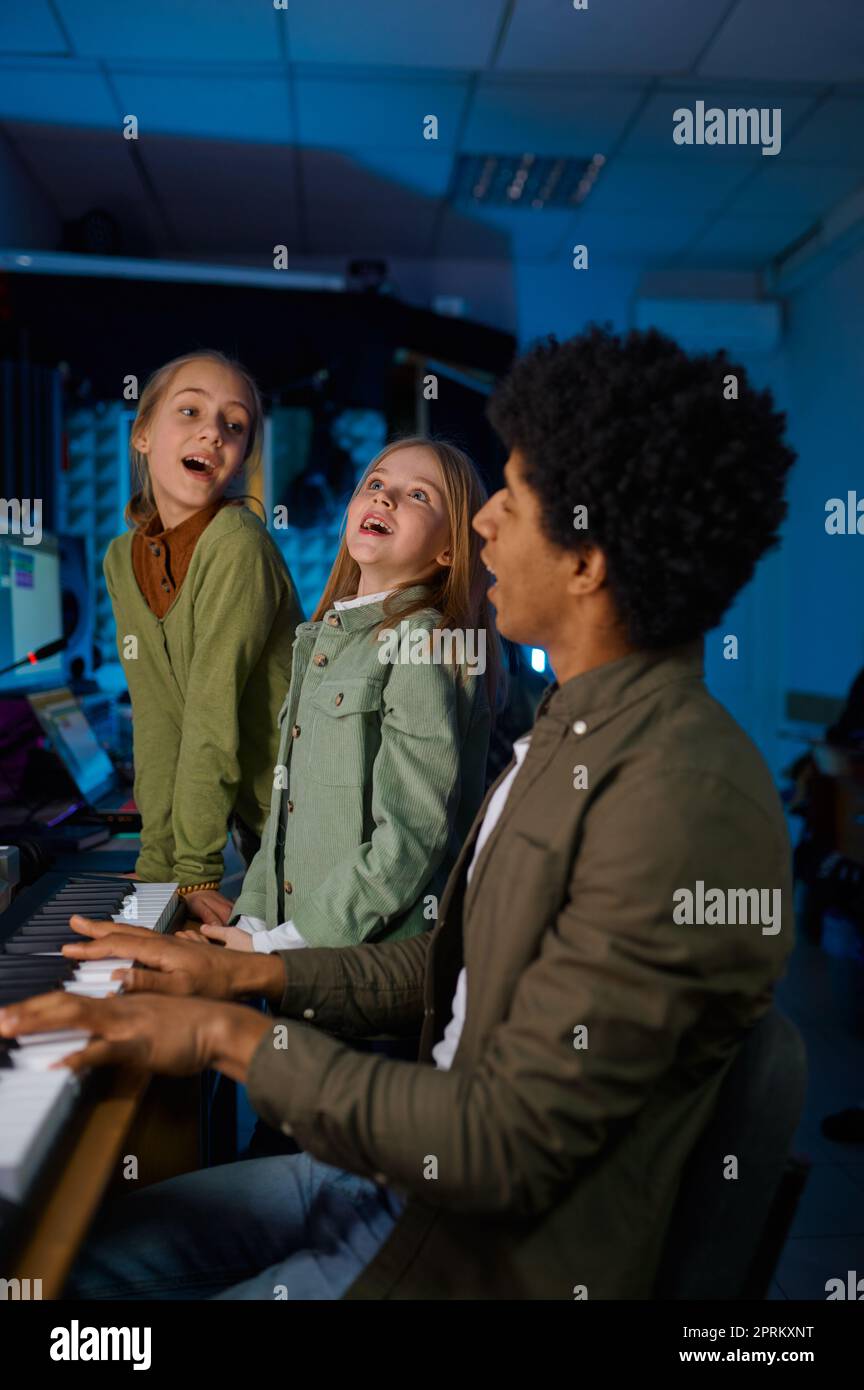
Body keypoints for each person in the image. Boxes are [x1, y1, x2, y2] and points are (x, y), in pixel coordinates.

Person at [2, 325, 798, 1300]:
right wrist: (252, 971)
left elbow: (502, 1143)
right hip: (392, 1182)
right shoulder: (570, 732)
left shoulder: (679, 797)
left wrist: (224, 1035)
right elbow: (444, 968)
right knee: (48, 1264)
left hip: (465, 1256)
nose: (486, 524)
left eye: (511, 496)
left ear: (587, 559)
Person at [179, 437, 499, 956]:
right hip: (293, 952)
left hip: (364, 964)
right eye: (375, 484)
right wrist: (254, 920)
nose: (385, 498)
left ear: (449, 549)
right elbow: (284, 815)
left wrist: (284, 945)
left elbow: (411, 838)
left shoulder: (423, 645)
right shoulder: (319, 640)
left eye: (419, 495)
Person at [103, 350, 303, 922]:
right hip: (254, 837)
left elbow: (210, 712)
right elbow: (159, 717)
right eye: (190, 412)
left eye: (233, 425)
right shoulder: (122, 559)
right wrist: (155, 865)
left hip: (305, 829)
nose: (213, 432)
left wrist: (192, 873)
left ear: (240, 458)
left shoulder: (236, 543)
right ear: (142, 435)